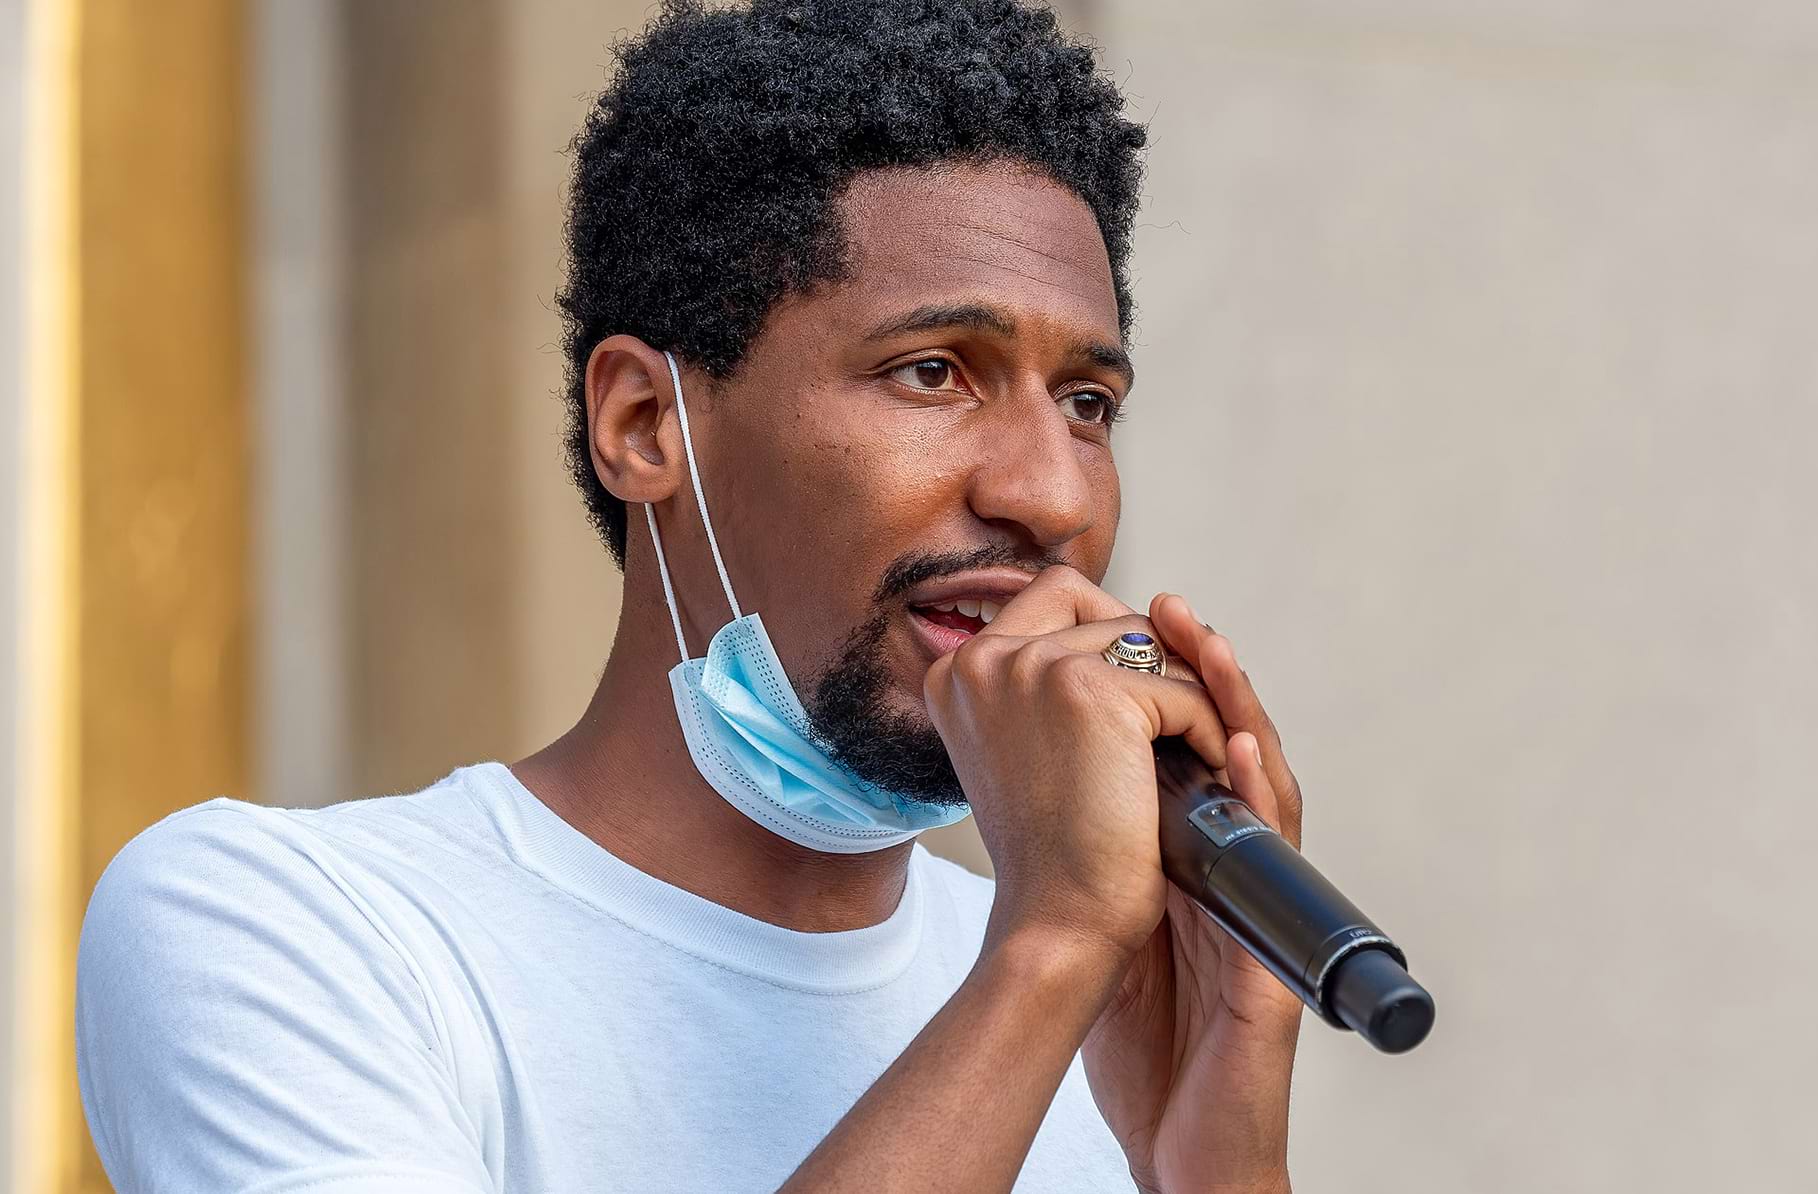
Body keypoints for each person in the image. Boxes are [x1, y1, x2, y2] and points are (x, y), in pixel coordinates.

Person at [76, 1, 1307, 1190]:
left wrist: (1212, 1171)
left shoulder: (1110, 1020)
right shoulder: (298, 926)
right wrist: (1048, 956)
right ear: (645, 421)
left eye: (1088, 404)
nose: (1049, 494)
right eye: (934, 373)